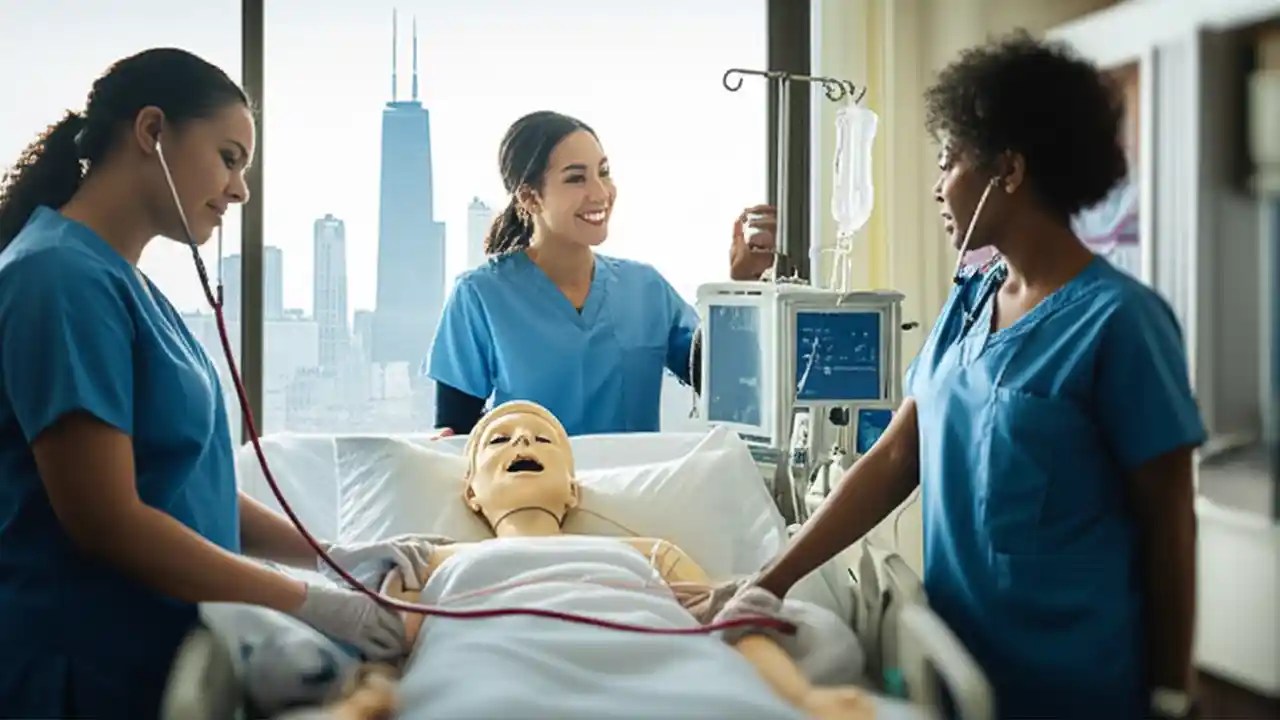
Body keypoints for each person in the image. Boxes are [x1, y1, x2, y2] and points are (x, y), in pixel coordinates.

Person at [697, 33, 1203, 719]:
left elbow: (1169, 522)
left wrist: (1173, 691)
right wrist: (768, 583)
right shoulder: (972, 300)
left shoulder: (1120, 322)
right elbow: (896, 456)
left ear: (1009, 170)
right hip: (961, 662)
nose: (938, 188)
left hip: (1076, 681)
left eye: (948, 162)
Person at [0, 48, 439, 718]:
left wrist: (330, 557)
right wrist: (312, 603)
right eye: (229, 158)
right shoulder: (58, 279)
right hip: (85, 666)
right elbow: (107, 521)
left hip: (170, 653)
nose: (240, 191)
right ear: (152, 130)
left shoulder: (119, 283)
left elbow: (183, 485)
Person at [372, 399, 891, 720]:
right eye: (500, 440)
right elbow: (388, 650)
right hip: (485, 686)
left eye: (542, 438)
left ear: (573, 490)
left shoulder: (649, 552)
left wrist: (802, 699)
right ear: (470, 493)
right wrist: (360, 705)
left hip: (682, 684)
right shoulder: (431, 559)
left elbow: (732, 622)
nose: (523, 439)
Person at [427, 110, 777, 437]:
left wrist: (744, 287)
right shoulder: (479, 296)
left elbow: (724, 382)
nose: (600, 192)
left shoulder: (646, 289)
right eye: (576, 178)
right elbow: (455, 437)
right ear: (531, 197)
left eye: (604, 172)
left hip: (635, 482)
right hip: (531, 484)